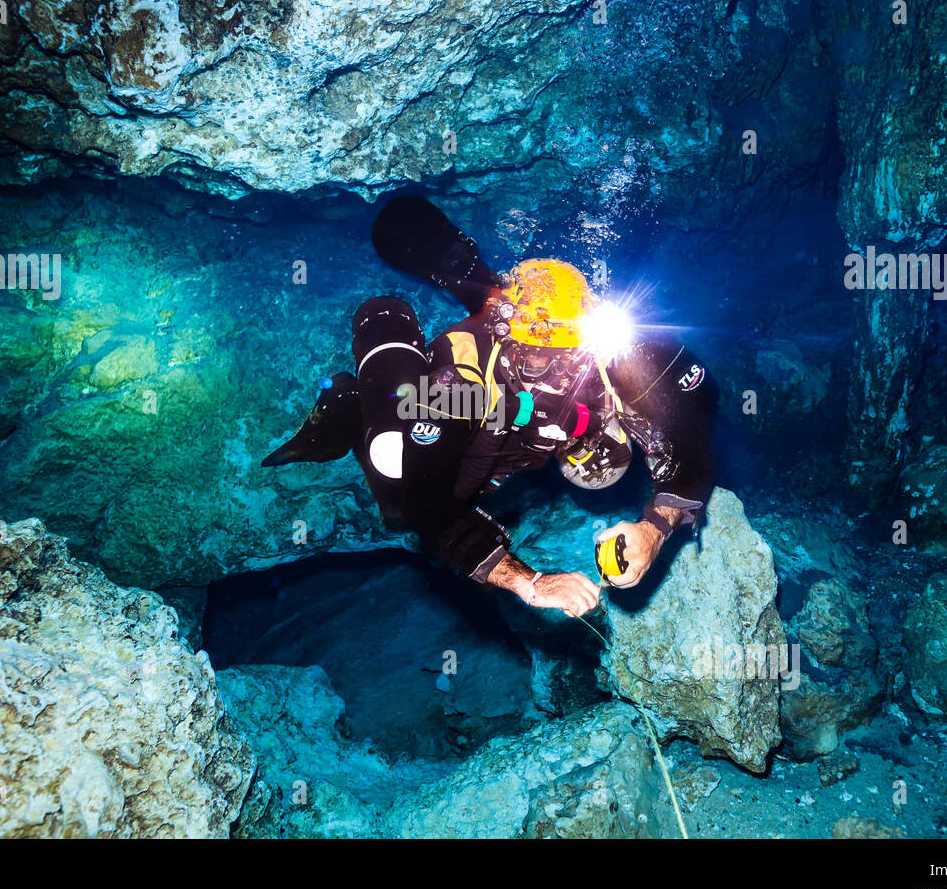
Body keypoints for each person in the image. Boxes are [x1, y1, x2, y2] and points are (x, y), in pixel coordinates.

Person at [263, 199, 716, 619]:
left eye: (572, 348)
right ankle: (349, 405)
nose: (564, 368)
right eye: (542, 357)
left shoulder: (611, 346)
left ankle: (457, 264)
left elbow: (691, 435)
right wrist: (530, 584)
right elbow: (430, 510)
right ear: (511, 343)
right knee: (397, 490)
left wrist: (655, 529)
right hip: (470, 421)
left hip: (512, 414)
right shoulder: (461, 378)